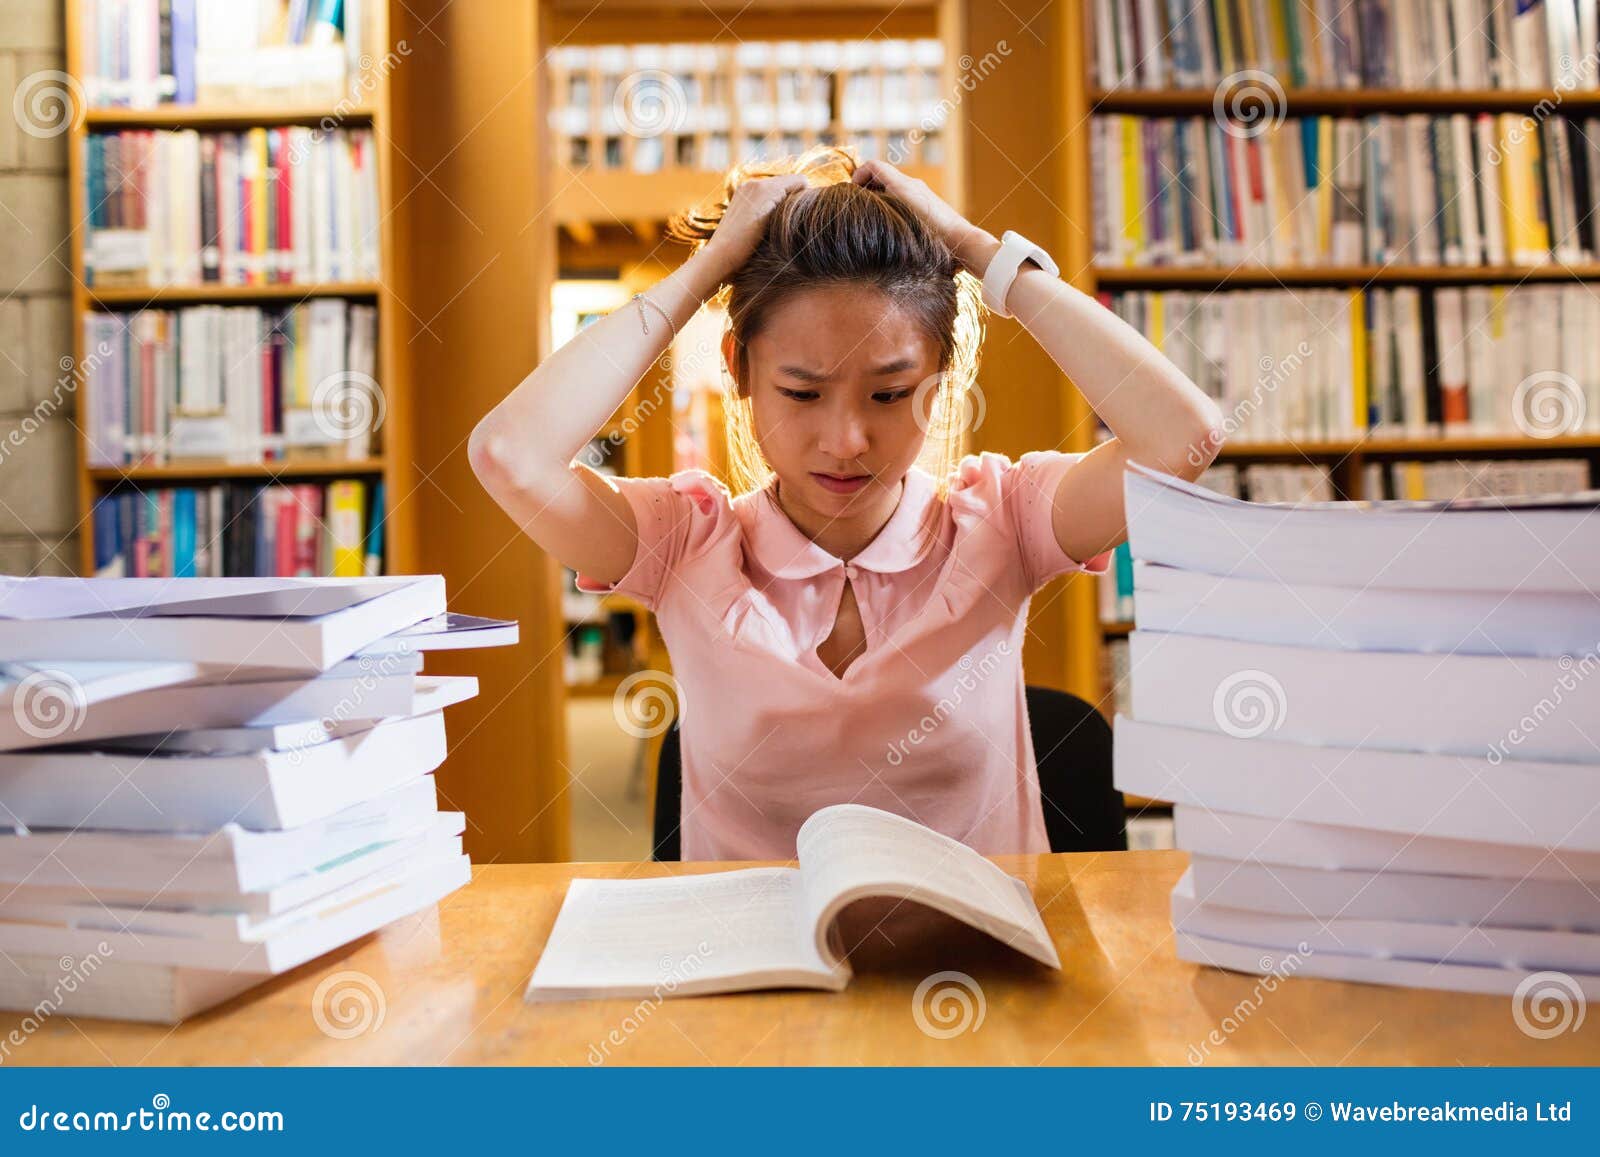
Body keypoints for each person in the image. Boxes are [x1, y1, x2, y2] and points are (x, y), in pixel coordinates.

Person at [469, 146, 1223, 861]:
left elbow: (1184, 437)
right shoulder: (682, 543)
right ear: (739, 369)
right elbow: (510, 454)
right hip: (756, 986)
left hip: (979, 984)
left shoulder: (1004, 520)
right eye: (802, 392)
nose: (846, 440)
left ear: (941, 376)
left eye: (889, 393)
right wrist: (708, 270)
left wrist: (976, 249)